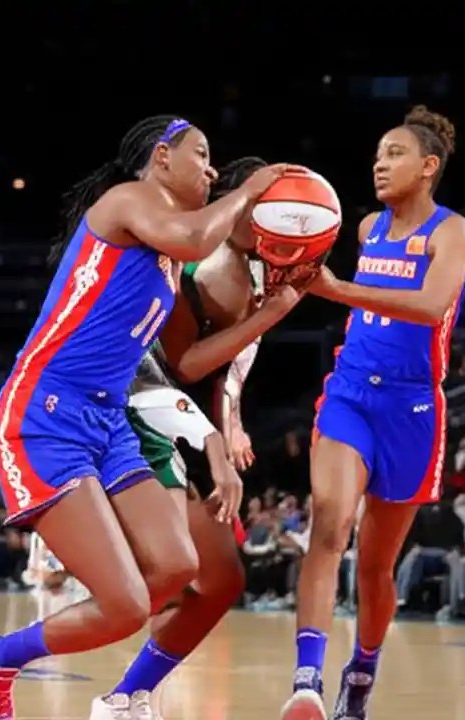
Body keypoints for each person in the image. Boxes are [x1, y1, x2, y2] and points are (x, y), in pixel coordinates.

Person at [0, 114, 298, 717]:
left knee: (179, 565)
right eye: (202, 154)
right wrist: (247, 192)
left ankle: (68, 635)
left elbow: (170, 363)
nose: (213, 170)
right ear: (161, 157)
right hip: (46, 415)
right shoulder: (130, 201)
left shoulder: (165, 256)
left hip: (108, 423)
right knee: (129, 607)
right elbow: (195, 240)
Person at [93, 157, 318, 719]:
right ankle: (5, 653)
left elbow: (236, 361)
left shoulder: (260, 267)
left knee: (220, 580)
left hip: (189, 418)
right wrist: (266, 319)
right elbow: (187, 364)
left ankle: (125, 695)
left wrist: (233, 416)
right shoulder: (199, 264)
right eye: (267, 206)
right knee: (172, 575)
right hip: (141, 406)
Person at [281, 105, 465, 720]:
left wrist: (338, 290)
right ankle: (306, 681)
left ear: (428, 166)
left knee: (375, 566)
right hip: (350, 395)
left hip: (413, 406)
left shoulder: (452, 232)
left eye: (393, 154)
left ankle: (359, 677)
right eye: (376, 156)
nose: (379, 164)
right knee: (330, 525)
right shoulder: (366, 228)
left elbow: (431, 303)